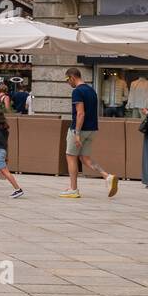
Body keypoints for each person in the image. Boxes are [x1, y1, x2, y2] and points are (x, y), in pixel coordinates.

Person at [61, 67, 117, 199]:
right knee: (84, 158)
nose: (68, 83)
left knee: (70, 156)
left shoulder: (77, 91)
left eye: (67, 80)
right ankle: (107, 176)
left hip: (79, 129)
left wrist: (77, 133)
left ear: (72, 77)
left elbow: (80, 113)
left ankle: (73, 189)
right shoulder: (92, 90)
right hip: (92, 129)